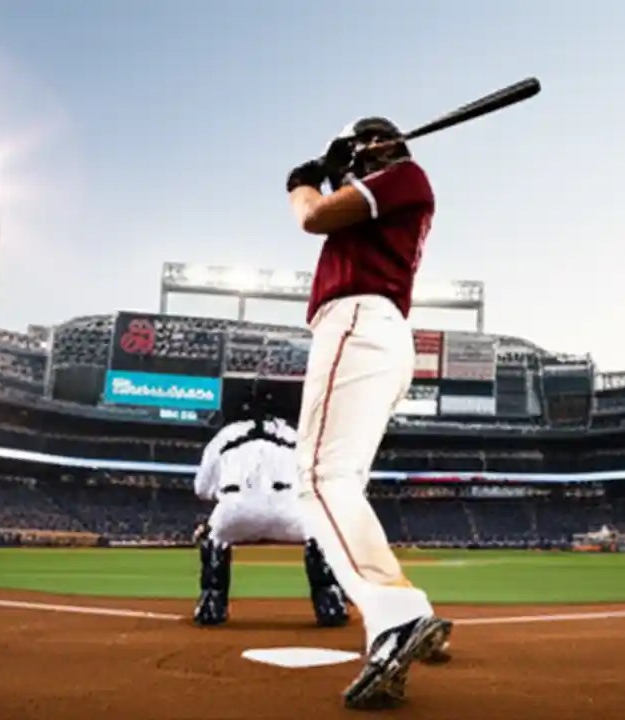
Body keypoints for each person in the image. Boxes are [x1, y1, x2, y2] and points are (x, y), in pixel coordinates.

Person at [284, 117, 451, 710]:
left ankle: (396, 615)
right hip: (375, 329)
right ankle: (411, 611)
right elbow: (340, 208)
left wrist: (304, 182)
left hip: (357, 321)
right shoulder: (387, 190)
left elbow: (312, 217)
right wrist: (338, 174)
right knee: (340, 481)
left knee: (318, 480)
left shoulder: (406, 176)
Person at [192, 395, 349, 629]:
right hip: (288, 511)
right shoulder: (293, 435)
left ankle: (211, 606)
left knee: (213, 538)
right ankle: (330, 604)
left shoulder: (223, 437)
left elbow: (201, 489)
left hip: (235, 511)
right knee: (321, 534)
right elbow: (313, 482)